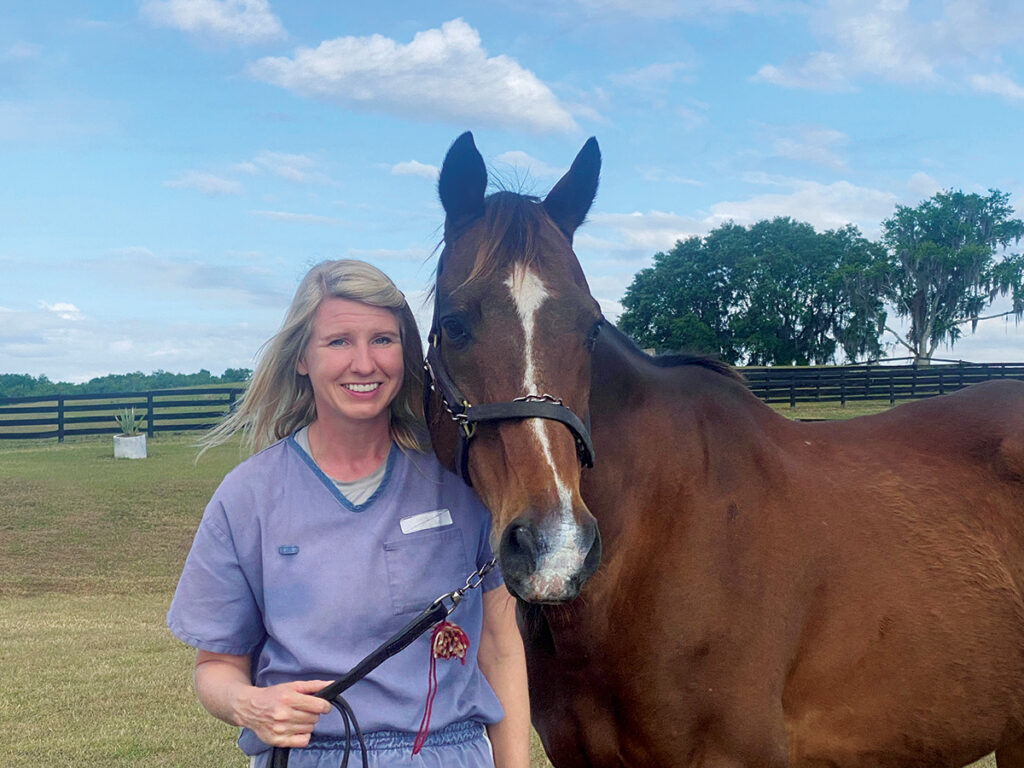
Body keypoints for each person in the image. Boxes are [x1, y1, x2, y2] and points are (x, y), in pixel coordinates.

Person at [167, 260, 530, 768]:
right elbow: (216, 666)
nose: (364, 364)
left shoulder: (459, 482)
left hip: (448, 753)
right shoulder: (248, 497)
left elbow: (499, 645)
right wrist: (249, 704)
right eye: (338, 342)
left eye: (383, 340)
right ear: (300, 358)